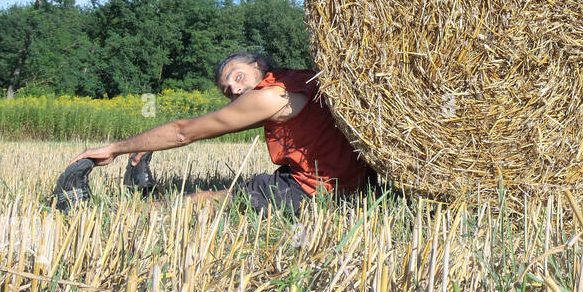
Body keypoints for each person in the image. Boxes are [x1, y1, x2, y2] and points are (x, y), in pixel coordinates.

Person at [59, 52, 378, 214]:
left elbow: (184, 132)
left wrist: (116, 148)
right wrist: (144, 145)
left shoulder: (268, 96)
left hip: (314, 192)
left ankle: (119, 213)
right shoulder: (299, 80)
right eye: (228, 91)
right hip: (356, 183)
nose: (235, 89)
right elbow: (215, 128)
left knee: (207, 201)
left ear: (256, 63)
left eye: (237, 77)